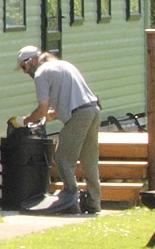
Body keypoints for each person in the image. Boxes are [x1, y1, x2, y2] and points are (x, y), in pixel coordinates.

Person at [14, 45, 101, 213]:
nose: (25, 72)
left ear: (31, 61)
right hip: (93, 110)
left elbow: (41, 108)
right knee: (89, 161)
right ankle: (93, 202)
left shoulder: (40, 74)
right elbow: (72, 95)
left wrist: (24, 121)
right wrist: (53, 114)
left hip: (79, 115)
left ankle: (71, 198)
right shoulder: (64, 65)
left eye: (24, 67)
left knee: (62, 158)